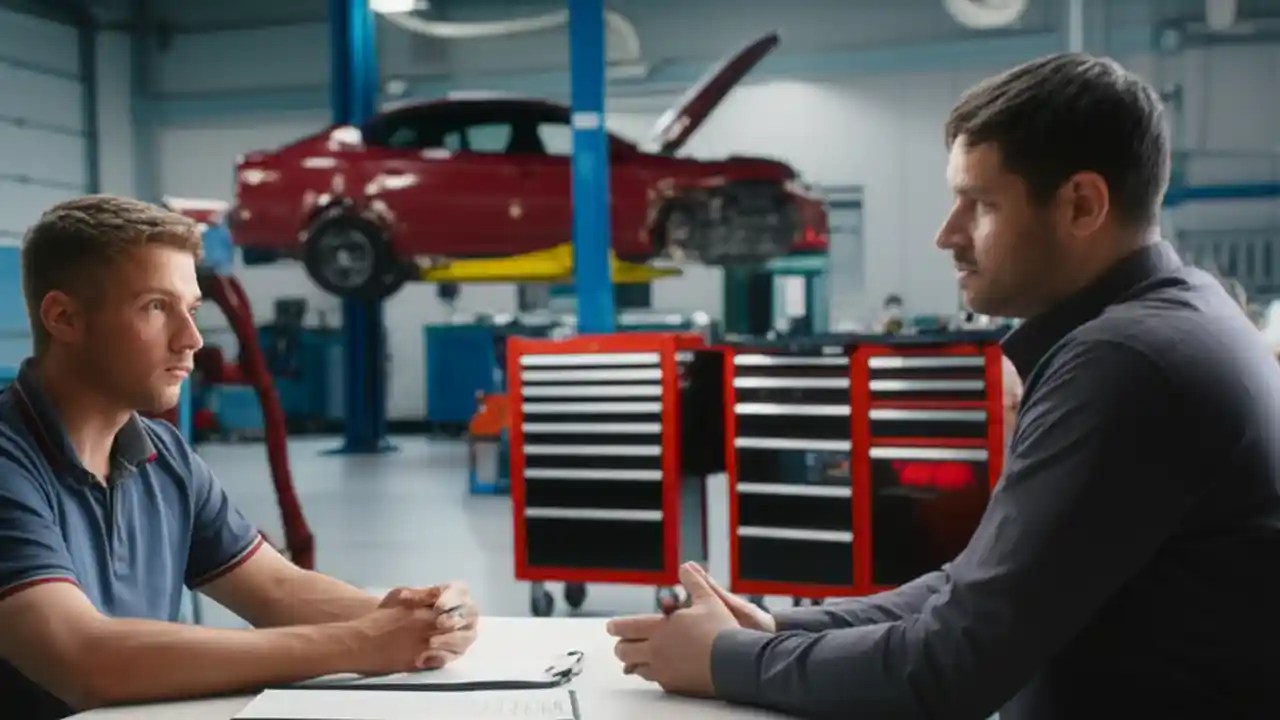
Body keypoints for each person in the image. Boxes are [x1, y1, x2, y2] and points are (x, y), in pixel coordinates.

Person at [607, 52, 1280, 719]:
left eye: (980, 204)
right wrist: (776, 632)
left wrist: (725, 661)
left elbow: (949, 666)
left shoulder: (1128, 363)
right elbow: (975, 586)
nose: (946, 234)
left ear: (1081, 204)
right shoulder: (1181, 318)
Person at [0, 196, 481, 719]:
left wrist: (421, 616)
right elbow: (81, 658)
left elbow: (275, 588)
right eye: (155, 307)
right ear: (64, 318)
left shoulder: (165, 457)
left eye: (191, 310)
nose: (191, 339)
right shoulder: (10, 458)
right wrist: (362, 643)